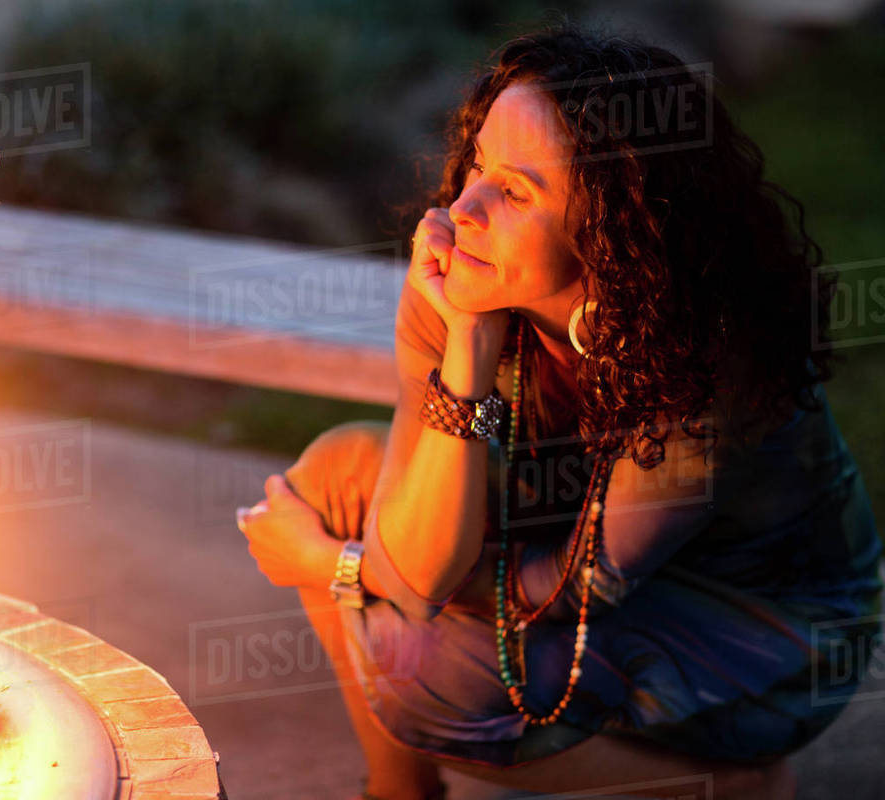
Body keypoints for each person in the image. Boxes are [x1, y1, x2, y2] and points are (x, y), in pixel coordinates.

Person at [237, 24, 882, 800]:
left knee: (440, 684)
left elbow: (567, 590)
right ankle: (399, 792)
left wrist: (332, 566)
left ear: (613, 230)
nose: (461, 207)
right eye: (477, 166)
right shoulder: (461, 277)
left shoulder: (704, 361)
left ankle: (731, 783)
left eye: (514, 191)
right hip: (580, 536)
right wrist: (468, 340)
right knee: (339, 477)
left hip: (770, 630)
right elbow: (421, 562)